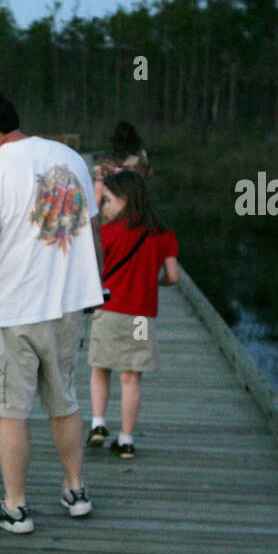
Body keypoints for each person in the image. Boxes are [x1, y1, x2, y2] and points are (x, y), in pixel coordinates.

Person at [0, 85, 104, 531]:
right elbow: (91, 234)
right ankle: (76, 491)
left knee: (12, 412)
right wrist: (97, 287)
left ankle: (15, 508)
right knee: (65, 401)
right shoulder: (70, 160)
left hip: (13, 312)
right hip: (67, 308)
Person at [86, 170, 180, 459]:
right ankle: (126, 440)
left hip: (110, 310)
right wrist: (156, 282)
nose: (105, 208)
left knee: (101, 367)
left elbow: (93, 273)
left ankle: (98, 424)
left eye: (109, 201)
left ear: (124, 200)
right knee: (131, 377)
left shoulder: (107, 233)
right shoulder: (162, 234)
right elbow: (174, 276)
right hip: (141, 317)